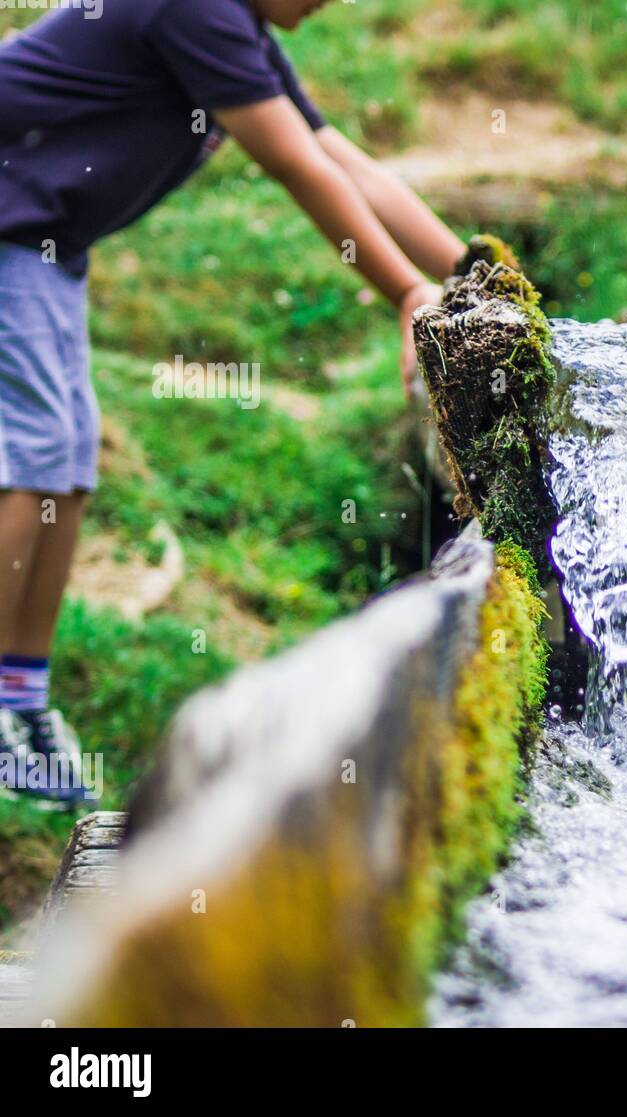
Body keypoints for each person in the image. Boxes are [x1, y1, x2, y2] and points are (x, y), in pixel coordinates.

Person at [0, 0, 467, 806]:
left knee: (68, 459)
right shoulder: (196, 8)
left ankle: (22, 700)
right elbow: (298, 168)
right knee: (38, 456)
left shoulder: (238, 27)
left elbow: (341, 156)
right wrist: (404, 292)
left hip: (42, 239)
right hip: (12, 232)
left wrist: (470, 268)